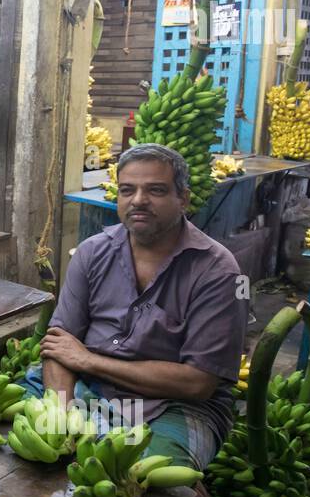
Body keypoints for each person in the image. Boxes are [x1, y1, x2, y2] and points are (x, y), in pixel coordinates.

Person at [21, 144, 248, 477]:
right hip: (86, 384)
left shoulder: (218, 271)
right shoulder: (91, 253)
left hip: (174, 407)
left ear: (182, 198)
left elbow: (197, 383)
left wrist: (88, 359)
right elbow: (60, 344)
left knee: (138, 479)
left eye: (155, 190)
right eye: (128, 190)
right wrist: (61, 414)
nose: (138, 200)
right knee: (19, 445)